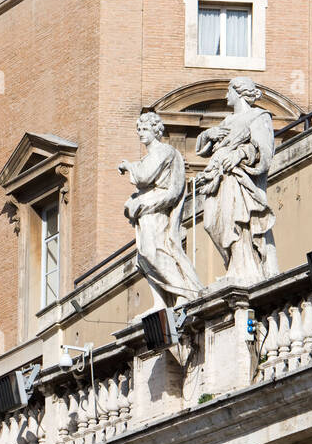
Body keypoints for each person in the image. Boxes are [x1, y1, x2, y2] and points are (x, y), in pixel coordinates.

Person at [195, 77, 279, 285]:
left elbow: (264, 150)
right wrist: (209, 133)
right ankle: (234, 263)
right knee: (211, 222)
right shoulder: (226, 122)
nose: (225, 96)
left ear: (239, 92)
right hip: (220, 178)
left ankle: (242, 267)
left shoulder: (258, 117)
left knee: (237, 219)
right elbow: (202, 149)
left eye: (228, 91)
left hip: (238, 178)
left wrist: (239, 154)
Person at [118, 112, 202, 309]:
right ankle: (160, 301)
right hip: (145, 210)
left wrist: (129, 166)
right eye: (139, 129)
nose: (141, 133)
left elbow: (144, 177)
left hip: (156, 208)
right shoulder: (151, 156)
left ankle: (182, 291)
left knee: (153, 251)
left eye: (145, 129)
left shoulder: (164, 151)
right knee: (143, 258)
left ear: (156, 130)